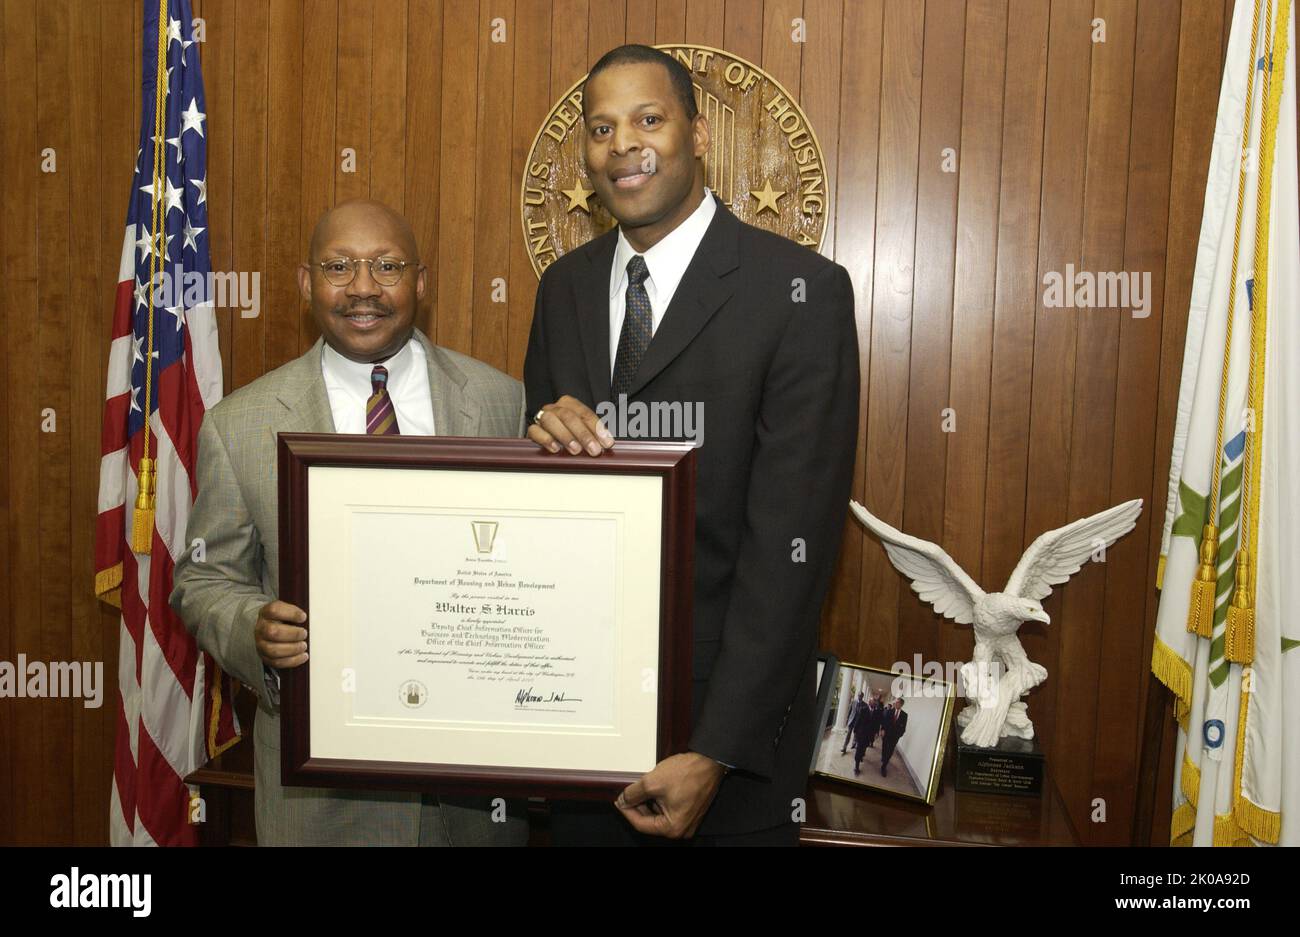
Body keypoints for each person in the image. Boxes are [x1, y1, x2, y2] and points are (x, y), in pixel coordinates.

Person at [523, 45, 859, 845]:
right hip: (576, 737)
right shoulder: (563, 288)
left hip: (726, 760)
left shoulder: (797, 293)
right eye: (601, 128)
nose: (623, 145)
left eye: (649, 119)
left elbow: (790, 552)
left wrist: (713, 750)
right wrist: (540, 441)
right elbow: (545, 508)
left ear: (699, 134)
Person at [170, 199, 529, 846]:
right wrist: (254, 629)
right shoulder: (240, 423)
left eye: (386, 266)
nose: (363, 287)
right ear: (307, 283)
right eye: (339, 266)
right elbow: (203, 580)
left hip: (472, 804)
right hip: (322, 805)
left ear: (420, 282)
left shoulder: (500, 399)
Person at [880, 697, 909, 777]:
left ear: (901, 704)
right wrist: (882, 730)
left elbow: (903, 728)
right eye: (895, 702)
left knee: (890, 752)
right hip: (886, 735)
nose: (895, 703)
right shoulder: (889, 711)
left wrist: (899, 735)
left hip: (894, 737)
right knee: (884, 748)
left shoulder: (904, 715)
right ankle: (883, 758)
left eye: (897, 702)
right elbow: (884, 721)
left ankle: (884, 766)